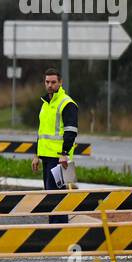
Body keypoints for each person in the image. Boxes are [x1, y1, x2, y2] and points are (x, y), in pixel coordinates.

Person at [31, 67, 79, 223]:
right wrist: (36, 155)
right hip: (46, 156)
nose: (50, 85)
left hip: (59, 158)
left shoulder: (67, 103)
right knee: (49, 195)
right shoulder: (46, 103)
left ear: (60, 82)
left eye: (53, 82)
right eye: (47, 82)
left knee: (56, 196)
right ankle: (53, 228)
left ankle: (60, 229)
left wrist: (64, 153)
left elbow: (71, 131)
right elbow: (41, 132)